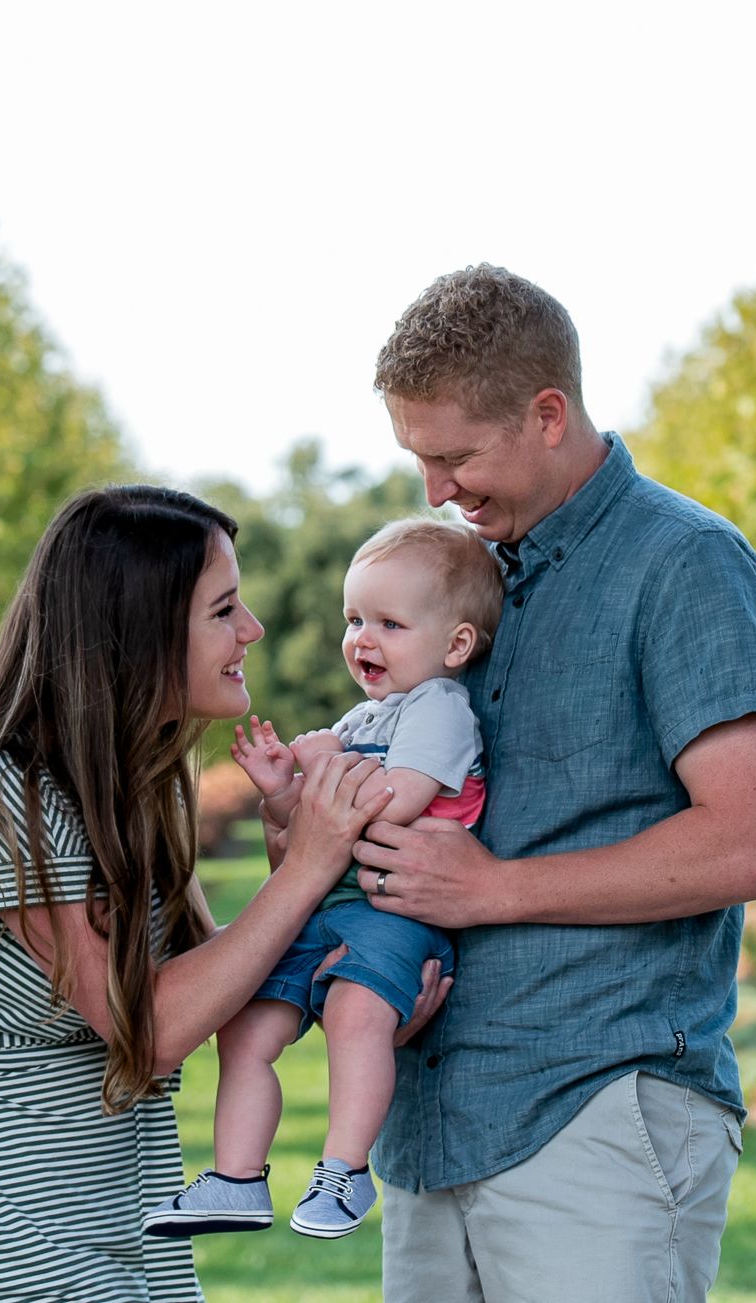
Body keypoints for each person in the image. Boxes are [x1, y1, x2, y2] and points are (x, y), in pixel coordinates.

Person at [333, 265, 756, 1302]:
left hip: (596, 1114)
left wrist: (491, 888)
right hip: (430, 1122)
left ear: (547, 414)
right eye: (418, 459)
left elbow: (749, 842)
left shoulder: (683, 563)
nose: (435, 492)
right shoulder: (461, 582)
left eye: (454, 456)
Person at [0, 484, 419, 1303]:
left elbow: (213, 989)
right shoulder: (3, 790)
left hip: (107, 1219)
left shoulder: (127, 780)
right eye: (224, 610)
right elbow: (147, 1031)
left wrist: (369, 978)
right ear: (139, 631)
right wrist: (306, 868)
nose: (250, 630)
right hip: (2, 1244)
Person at [143, 518, 502, 1241]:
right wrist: (283, 791)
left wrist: (321, 777)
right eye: (355, 619)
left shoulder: (439, 709)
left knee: (354, 1014)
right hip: (330, 901)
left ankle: (344, 1168)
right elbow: (308, 835)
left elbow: (389, 804)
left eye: (389, 623)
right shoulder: (365, 716)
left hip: (392, 907)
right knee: (245, 1026)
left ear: (456, 644)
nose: (362, 639)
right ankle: (236, 1178)